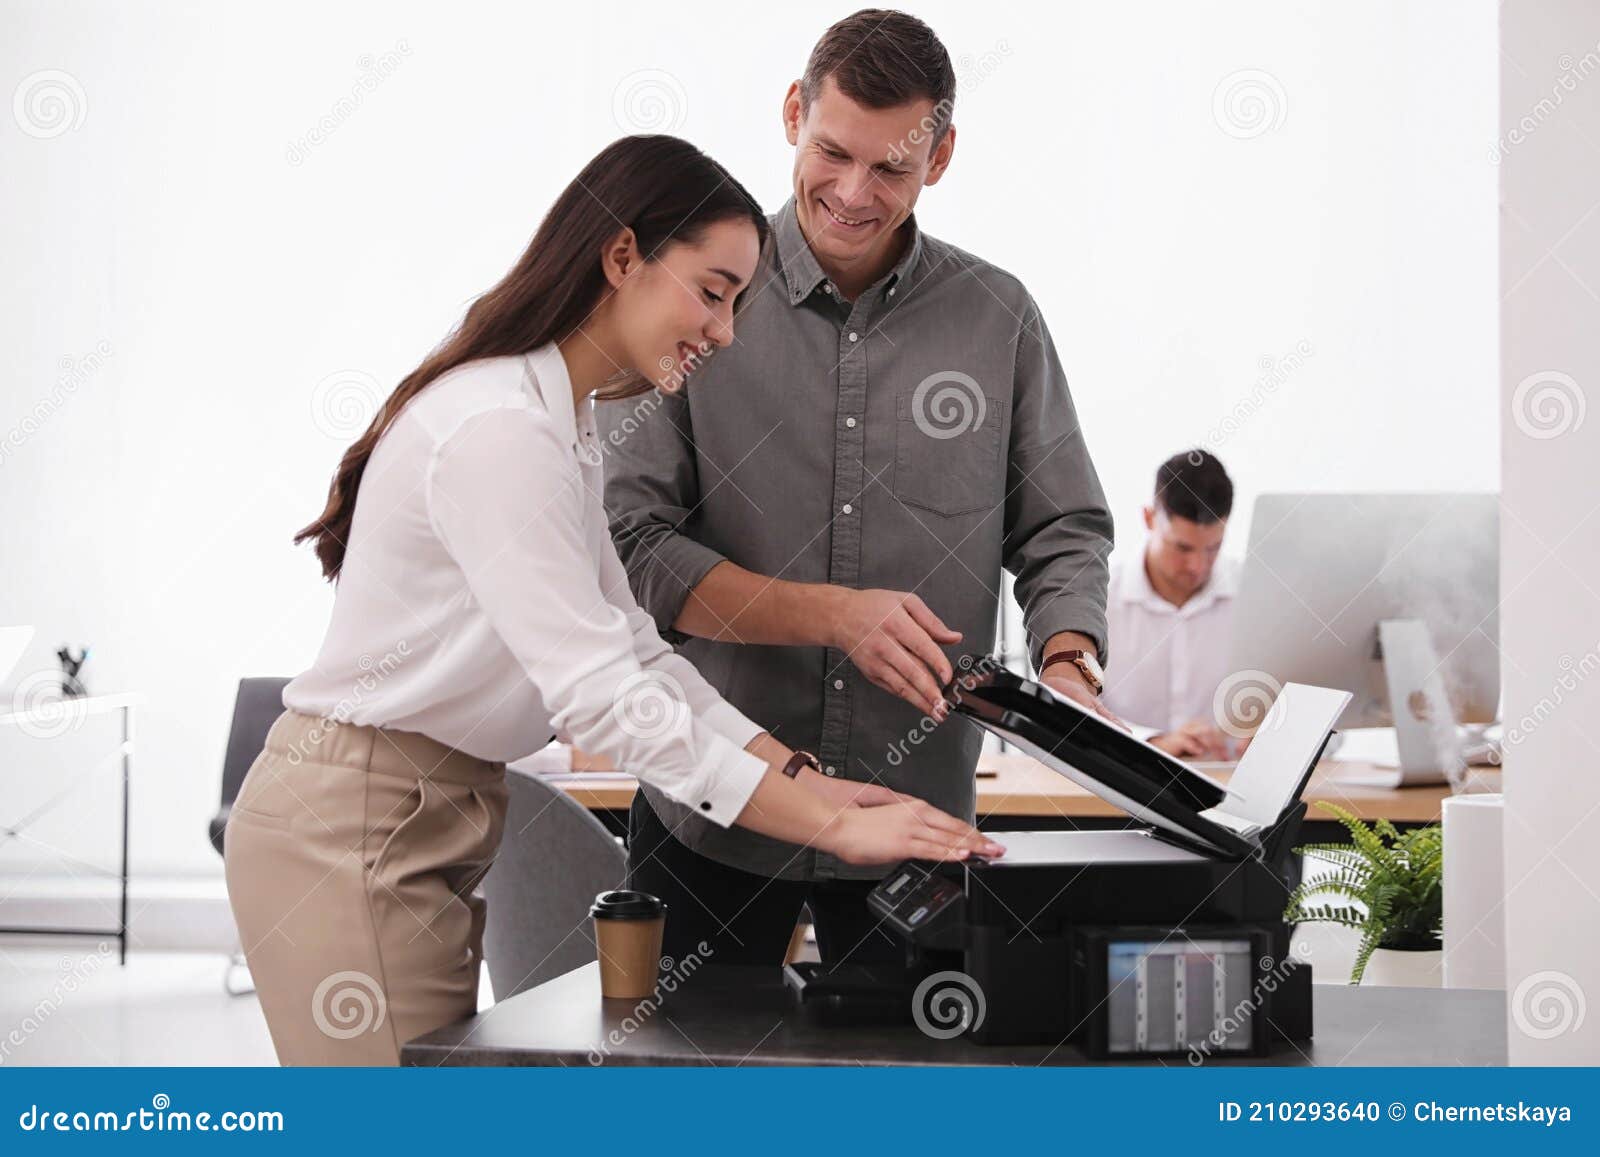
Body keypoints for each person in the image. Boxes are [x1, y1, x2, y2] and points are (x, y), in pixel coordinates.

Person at [223, 135, 1002, 1067]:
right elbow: (598, 696)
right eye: (712, 292)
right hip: (354, 817)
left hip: (434, 808)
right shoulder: (502, 428)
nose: (723, 332)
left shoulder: (566, 426)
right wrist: (826, 821)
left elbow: (639, 650)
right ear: (623, 255)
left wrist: (809, 782)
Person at [600, 11, 1113, 967]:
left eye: (892, 169)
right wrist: (835, 615)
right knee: (677, 1109)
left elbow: (1061, 525)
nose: (853, 192)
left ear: (942, 155)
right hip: (713, 807)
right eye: (833, 151)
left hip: (917, 821)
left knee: (914, 1109)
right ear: (794, 112)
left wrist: (1072, 660)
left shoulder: (996, 318)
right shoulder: (689, 297)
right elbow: (633, 547)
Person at [1101, 449, 1240, 759]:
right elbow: (1066, 715)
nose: (1197, 566)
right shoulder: (1098, 601)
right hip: (1122, 786)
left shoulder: (1257, 598)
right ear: (1149, 518)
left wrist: (1277, 739)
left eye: (1213, 548)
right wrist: (1149, 742)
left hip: (1236, 792)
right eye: (1182, 547)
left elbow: (1324, 719)